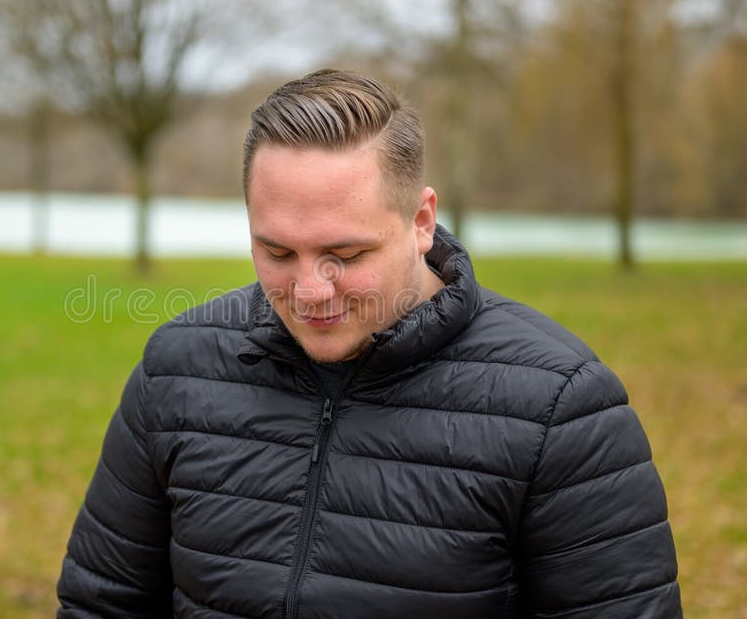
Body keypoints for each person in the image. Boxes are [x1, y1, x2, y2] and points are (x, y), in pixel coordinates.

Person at [56, 69, 682, 618]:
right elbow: (100, 604)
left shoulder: (561, 409)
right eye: (276, 252)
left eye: (345, 254)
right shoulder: (177, 372)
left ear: (421, 221)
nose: (309, 290)